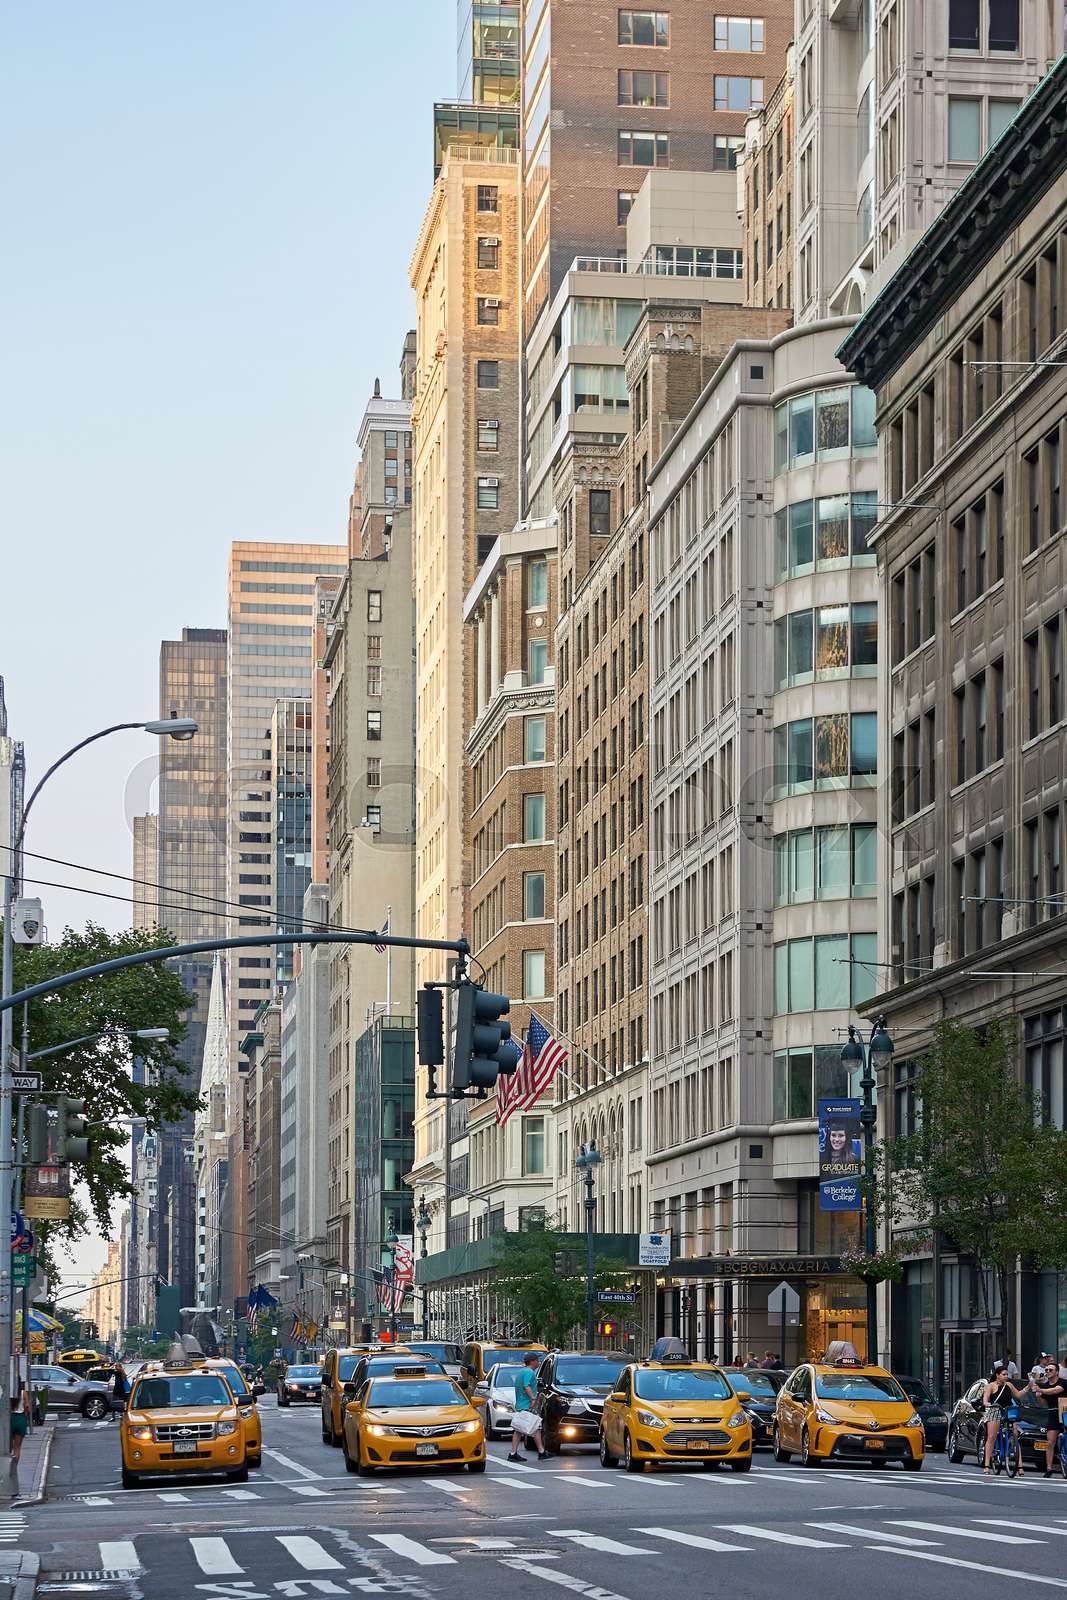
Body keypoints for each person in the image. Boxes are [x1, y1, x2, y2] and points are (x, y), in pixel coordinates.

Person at [507, 1353, 550, 1463]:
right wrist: (533, 1398)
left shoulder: (521, 1372)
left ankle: (513, 1453)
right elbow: (526, 1386)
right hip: (527, 1404)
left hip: (521, 1404)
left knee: (519, 1430)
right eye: (537, 1360)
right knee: (535, 1427)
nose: (538, 1362)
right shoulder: (529, 1372)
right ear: (532, 1361)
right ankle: (541, 1452)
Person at [982, 1362, 1024, 1474]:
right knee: (991, 1437)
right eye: (1004, 1374)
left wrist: (1028, 1387)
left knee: (1014, 1435)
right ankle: (986, 1465)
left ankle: (1019, 1466)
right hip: (995, 1409)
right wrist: (987, 1404)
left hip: (1008, 1411)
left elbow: (1018, 1395)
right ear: (997, 1375)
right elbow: (985, 1399)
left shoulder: (1009, 1385)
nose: (1006, 1376)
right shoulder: (990, 1386)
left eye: (1007, 1374)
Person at [1028, 1358, 1065, 1478]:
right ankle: (1049, 1468)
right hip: (1053, 1413)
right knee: (1050, 1441)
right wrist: (1038, 1395)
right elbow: (1042, 1402)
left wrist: (1040, 1389)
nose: (1048, 1371)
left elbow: (1055, 1391)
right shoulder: (1044, 1385)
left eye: (1051, 1370)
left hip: (1064, 1412)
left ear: (1057, 1372)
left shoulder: (1063, 1382)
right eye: (1047, 1369)